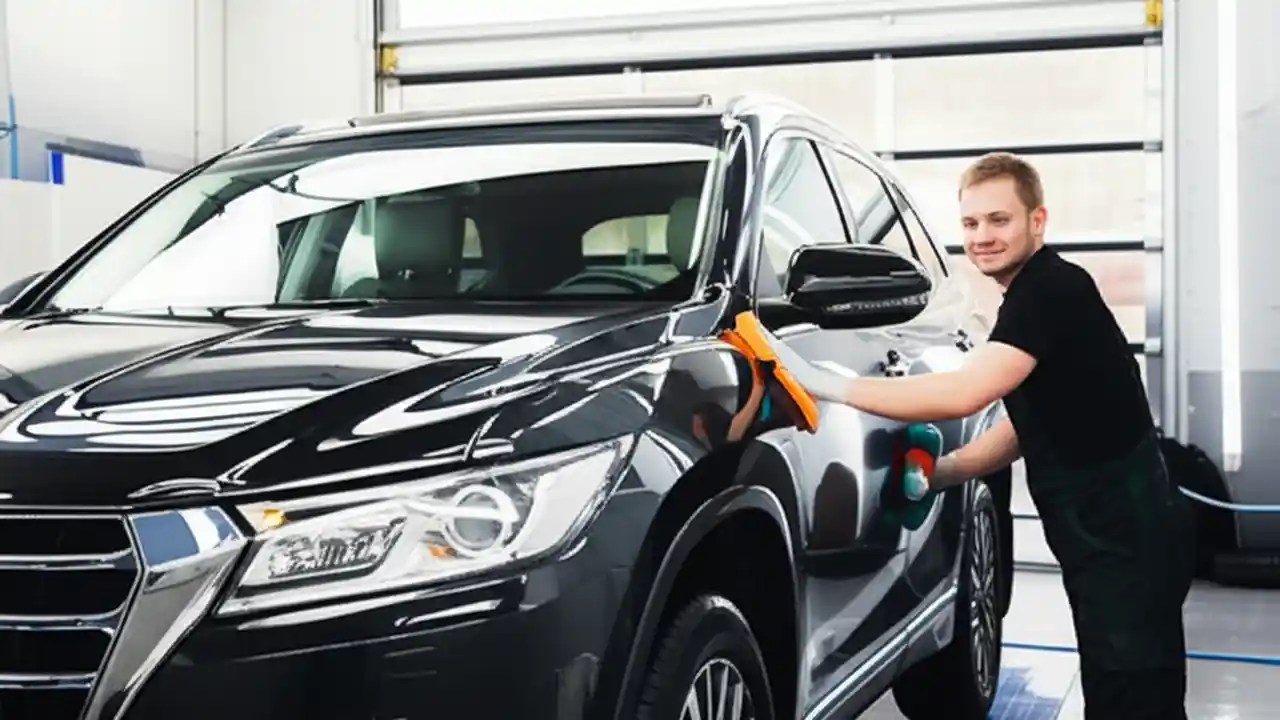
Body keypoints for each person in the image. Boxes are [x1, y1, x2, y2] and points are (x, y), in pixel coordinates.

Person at [761, 152, 1195, 719]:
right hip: (1117, 541)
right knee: (1124, 685)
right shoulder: (1039, 293)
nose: (983, 237)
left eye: (999, 220)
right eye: (970, 224)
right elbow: (1031, 423)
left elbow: (966, 393)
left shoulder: (1050, 293)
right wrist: (945, 472)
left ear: (1037, 221)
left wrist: (824, 384)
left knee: (1133, 696)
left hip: (1126, 543)